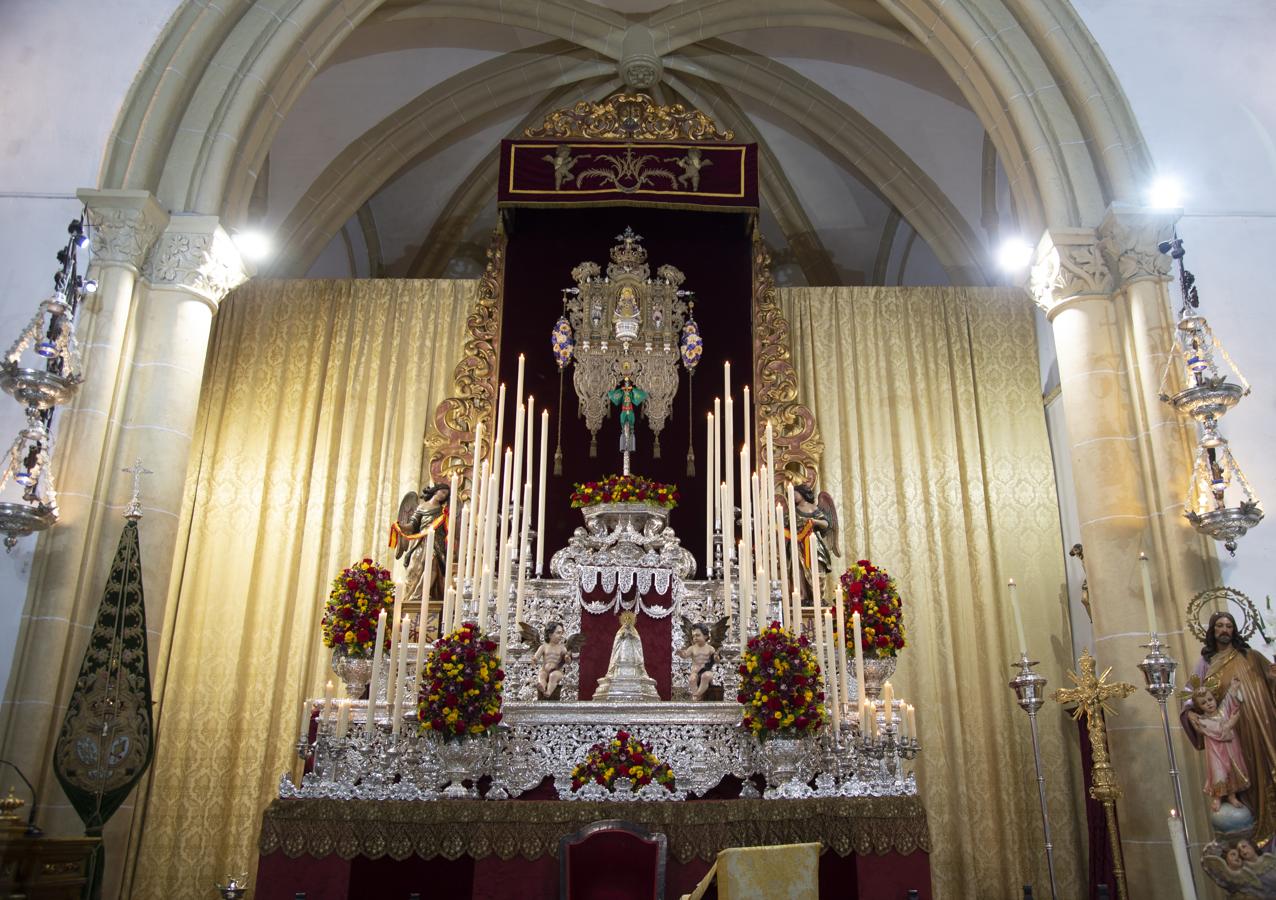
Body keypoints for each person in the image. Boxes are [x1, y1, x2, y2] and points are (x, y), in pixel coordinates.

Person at [1181, 611, 1276, 836]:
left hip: (1265, 725)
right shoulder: (1206, 663)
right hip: (1236, 733)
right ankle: (1257, 831)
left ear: (1234, 630)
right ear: (1213, 631)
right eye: (1220, 626)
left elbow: (1272, 682)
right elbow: (1190, 695)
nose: (1225, 630)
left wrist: (1274, 678)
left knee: (1268, 767)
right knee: (1247, 776)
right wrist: (1191, 713)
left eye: (1229, 626)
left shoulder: (1251, 655)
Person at [1187, 677, 1250, 811]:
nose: (1209, 704)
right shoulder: (1203, 721)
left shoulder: (1222, 711)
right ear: (1199, 707)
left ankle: (1232, 795)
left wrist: (1233, 686)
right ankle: (1217, 797)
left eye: (1210, 700)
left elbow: (1229, 700)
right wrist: (1231, 723)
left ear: (1214, 699)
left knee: (1232, 771)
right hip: (1216, 755)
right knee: (1218, 774)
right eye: (1203, 703)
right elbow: (1220, 731)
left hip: (1231, 751)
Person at [391, 483, 449, 608]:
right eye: (443, 492)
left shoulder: (444, 511)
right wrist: (400, 526)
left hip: (436, 545)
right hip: (421, 542)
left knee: (433, 564)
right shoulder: (422, 507)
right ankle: (409, 597)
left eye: (446, 494)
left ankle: (421, 594)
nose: (444, 495)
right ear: (436, 491)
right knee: (414, 566)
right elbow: (412, 525)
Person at [677, 623, 718, 701]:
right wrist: (681, 654)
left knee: (705, 676)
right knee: (692, 679)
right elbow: (685, 655)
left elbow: (716, 660)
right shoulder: (692, 648)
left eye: (698, 635)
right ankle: (696, 696)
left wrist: (716, 657)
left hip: (707, 671)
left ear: (705, 636)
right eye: (693, 636)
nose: (695, 638)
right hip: (695, 672)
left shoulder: (710, 648)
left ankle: (697, 694)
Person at [532, 622, 572, 700]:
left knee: (553, 676)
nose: (561, 636)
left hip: (557, 672)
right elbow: (536, 656)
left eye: (561, 633)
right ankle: (542, 688)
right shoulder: (543, 646)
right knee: (541, 675)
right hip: (545, 670)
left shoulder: (562, 648)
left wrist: (567, 658)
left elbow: (568, 662)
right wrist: (534, 660)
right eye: (558, 633)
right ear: (550, 635)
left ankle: (549, 692)